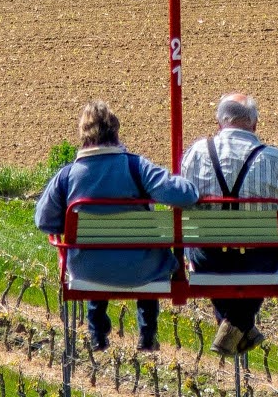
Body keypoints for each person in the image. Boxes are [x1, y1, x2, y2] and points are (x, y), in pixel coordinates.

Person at [35, 101, 199, 352]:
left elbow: (43, 221)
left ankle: (97, 331)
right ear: (116, 132)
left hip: (88, 271)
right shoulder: (136, 167)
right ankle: (147, 333)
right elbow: (183, 195)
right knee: (145, 250)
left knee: (94, 254)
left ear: (83, 134)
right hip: (142, 270)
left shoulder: (67, 176)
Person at [178, 94, 278, 356]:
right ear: (255, 124)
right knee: (267, 249)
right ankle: (240, 325)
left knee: (209, 247)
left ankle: (234, 324)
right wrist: (276, 227)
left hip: (208, 259)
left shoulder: (194, 154)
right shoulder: (274, 159)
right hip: (260, 260)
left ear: (219, 124)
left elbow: (183, 208)